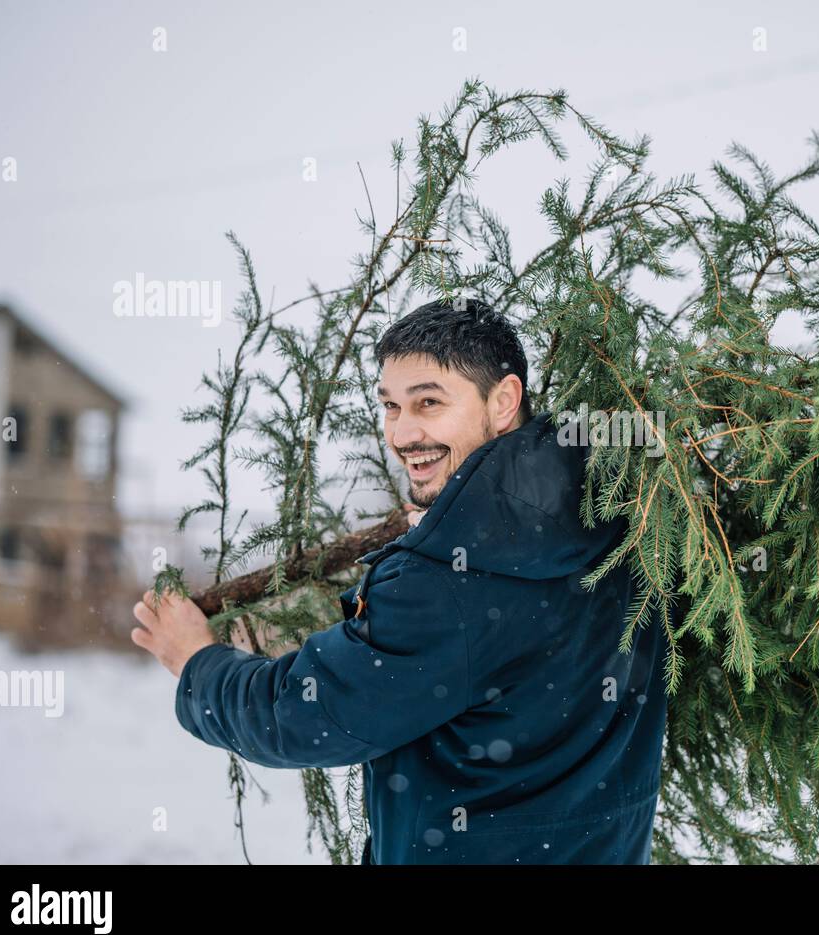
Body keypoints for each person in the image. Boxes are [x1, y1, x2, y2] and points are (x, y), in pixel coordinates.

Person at [130, 298, 670, 863]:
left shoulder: (446, 584)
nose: (403, 434)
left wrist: (196, 663)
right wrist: (459, 527)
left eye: (429, 403)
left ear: (504, 400)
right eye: (390, 406)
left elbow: (299, 717)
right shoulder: (633, 513)